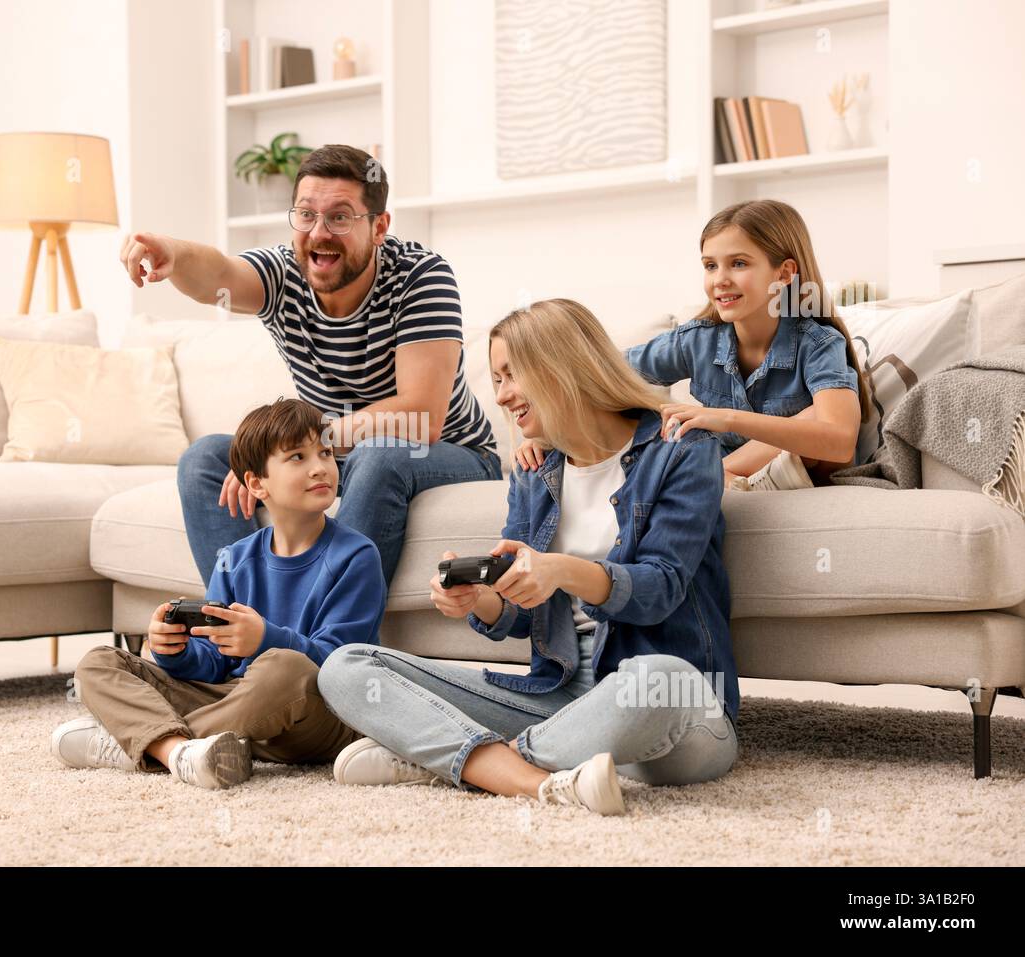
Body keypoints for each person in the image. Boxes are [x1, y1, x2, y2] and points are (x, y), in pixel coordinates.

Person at [318, 299, 739, 815]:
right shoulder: (535, 472)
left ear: (564, 364)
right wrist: (483, 601)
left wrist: (559, 569)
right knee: (345, 665)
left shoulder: (681, 449)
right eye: (495, 379)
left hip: (666, 714)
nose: (501, 396)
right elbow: (521, 617)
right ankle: (526, 771)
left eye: (511, 375)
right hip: (557, 693)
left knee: (659, 679)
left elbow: (659, 589)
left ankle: (468, 763)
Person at [119, 143, 500, 588]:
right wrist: (174, 252)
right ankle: (243, 628)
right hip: (335, 457)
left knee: (377, 456)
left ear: (379, 227)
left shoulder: (420, 275)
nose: (319, 232)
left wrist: (295, 446)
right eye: (306, 214)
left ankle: (331, 638)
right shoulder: (284, 273)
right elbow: (219, 276)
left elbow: (421, 417)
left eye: (339, 217)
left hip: (447, 453)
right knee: (205, 458)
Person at [53, 399, 384, 790]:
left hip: (314, 713)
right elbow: (212, 663)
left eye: (325, 453)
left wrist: (265, 639)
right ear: (257, 484)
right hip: (239, 706)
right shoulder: (234, 559)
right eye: (297, 456)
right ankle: (183, 750)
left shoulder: (357, 555)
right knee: (98, 663)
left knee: (282, 667)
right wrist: (172, 652)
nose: (319, 467)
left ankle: (147, 743)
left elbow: (341, 667)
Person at [513, 199, 867, 492]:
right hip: (718, 472)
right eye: (710, 266)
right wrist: (545, 436)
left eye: (739, 263)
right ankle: (718, 479)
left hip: (799, 476)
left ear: (784, 273)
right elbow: (598, 377)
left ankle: (718, 477)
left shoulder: (818, 344)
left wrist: (726, 419)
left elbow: (839, 442)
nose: (720, 280)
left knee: (816, 418)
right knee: (638, 413)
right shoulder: (698, 340)